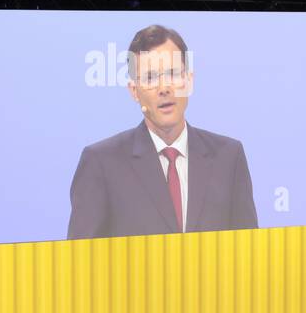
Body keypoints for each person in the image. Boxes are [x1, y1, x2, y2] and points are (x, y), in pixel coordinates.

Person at [67, 24, 258, 239]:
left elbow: (248, 254)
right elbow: (81, 263)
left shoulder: (229, 157)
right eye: (150, 78)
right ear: (134, 91)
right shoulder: (101, 162)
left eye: (173, 74)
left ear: (189, 80)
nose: (164, 88)